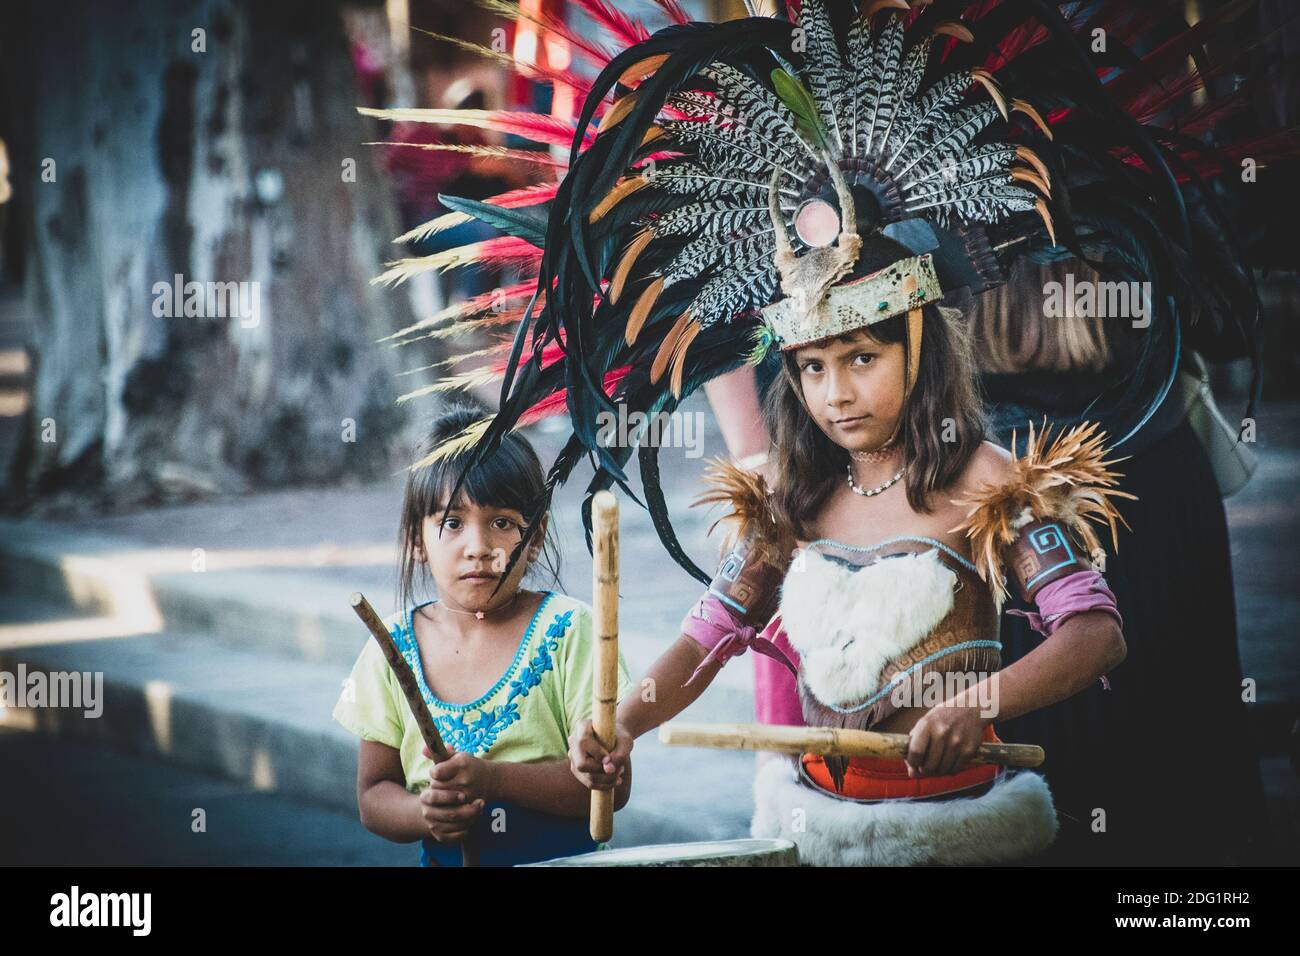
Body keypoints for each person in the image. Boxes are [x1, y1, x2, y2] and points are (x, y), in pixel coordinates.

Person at [367, 0, 1274, 864]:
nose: (834, 393)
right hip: (826, 832)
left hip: (965, 831)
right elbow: (708, 634)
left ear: (920, 348)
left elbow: (1096, 634)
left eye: (862, 360)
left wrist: (982, 704)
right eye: (810, 368)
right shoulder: (792, 503)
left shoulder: (987, 479)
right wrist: (621, 721)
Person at [332, 402, 632, 866]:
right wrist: (424, 813)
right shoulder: (391, 648)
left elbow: (613, 787)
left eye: (503, 523)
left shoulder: (571, 631)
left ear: (534, 538)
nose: (479, 548)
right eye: (452, 523)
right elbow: (373, 795)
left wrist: (492, 779)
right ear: (417, 539)